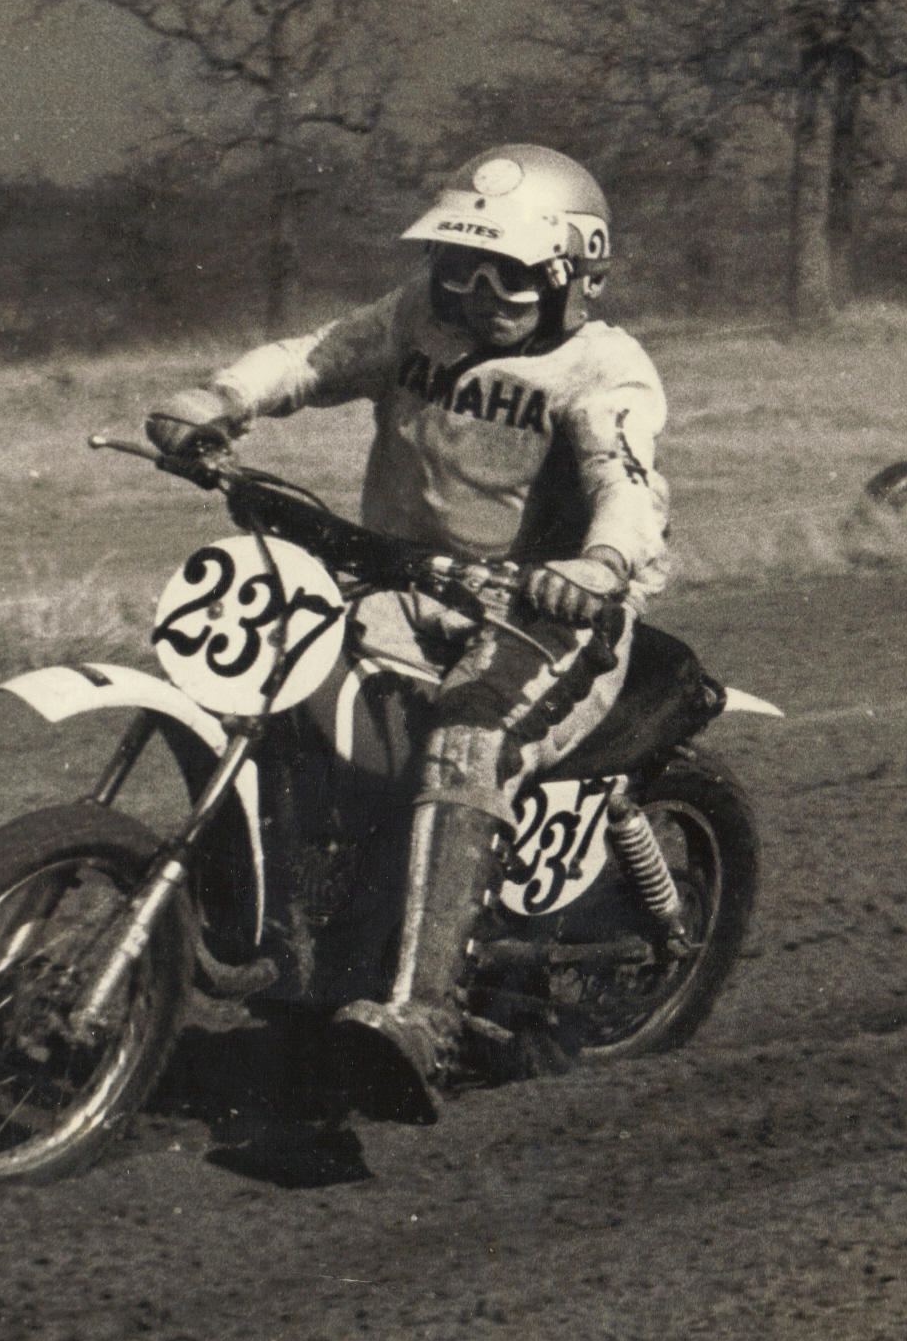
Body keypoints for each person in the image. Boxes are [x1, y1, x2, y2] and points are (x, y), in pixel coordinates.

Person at [146, 143, 671, 1115]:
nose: (479, 291)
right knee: (281, 682)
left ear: (570, 274)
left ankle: (423, 1013)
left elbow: (626, 480)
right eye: (460, 264)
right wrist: (220, 399)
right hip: (397, 580)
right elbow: (315, 356)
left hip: (543, 613)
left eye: (510, 272)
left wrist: (595, 566)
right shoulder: (415, 321)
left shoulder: (603, 367)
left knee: (464, 736)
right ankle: (303, 931)